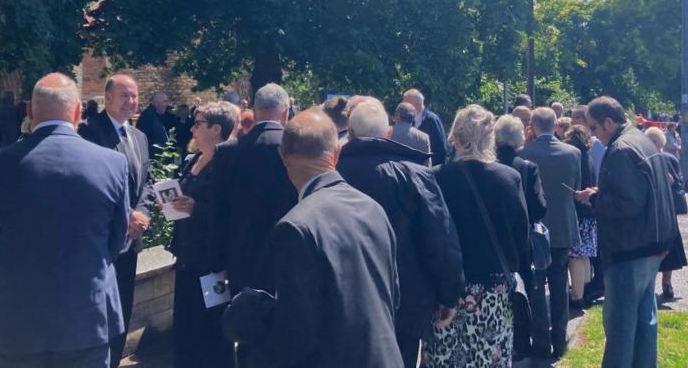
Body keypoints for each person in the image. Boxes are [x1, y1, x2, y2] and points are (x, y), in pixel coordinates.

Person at [222, 109, 402, 368]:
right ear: (336, 154)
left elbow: (298, 332)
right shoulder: (372, 208)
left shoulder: (295, 227)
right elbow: (392, 295)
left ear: (282, 155)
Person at [0, 73, 129, 368]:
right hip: (87, 320)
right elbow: (116, 241)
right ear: (78, 112)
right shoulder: (112, 163)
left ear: (29, 111)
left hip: (13, 324)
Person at [337, 102, 465, 368]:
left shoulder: (332, 173)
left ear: (349, 131)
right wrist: (448, 294)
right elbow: (439, 238)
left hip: (342, 298)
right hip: (404, 298)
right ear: (388, 134)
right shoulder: (414, 174)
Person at [424, 105, 529, 368]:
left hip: (447, 291)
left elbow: (430, 237)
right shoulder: (509, 177)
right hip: (493, 288)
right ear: (490, 139)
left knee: (445, 360)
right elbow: (521, 236)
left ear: (455, 138)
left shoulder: (436, 177)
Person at [575, 96, 676, 368]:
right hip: (650, 244)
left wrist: (595, 199)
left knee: (620, 327)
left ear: (609, 122)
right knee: (644, 321)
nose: (593, 135)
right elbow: (641, 193)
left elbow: (627, 203)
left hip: (629, 249)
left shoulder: (621, 148)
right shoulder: (641, 139)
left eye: (594, 128)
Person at [79, 74, 153, 368]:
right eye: (124, 96)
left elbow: (146, 183)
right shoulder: (88, 133)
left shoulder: (139, 137)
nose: (131, 102)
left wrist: (143, 213)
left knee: (123, 310)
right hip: (101, 243)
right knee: (98, 315)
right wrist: (125, 216)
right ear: (107, 98)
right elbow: (89, 186)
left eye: (134, 96)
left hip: (131, 242)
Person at [210, 83, 298, 295]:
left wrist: (218, 261)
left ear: (254, 110)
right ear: (286, 111)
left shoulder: (227, 152)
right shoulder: (297, 149)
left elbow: (218, 211)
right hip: (288, 252)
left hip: (240, 254)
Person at [169, 102, 238, 368]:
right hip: (187, 257)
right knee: (186, 323)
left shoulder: (228, 164)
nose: (192, 128)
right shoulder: (192, 160)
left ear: (216, 128)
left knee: (212, 325)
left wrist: (196, 209)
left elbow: (231, 213)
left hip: (211, 265)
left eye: (198, 123)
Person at [517, 107, 581, 359]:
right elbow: (575, 188)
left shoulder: (524, 154)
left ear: (531, 127)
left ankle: (540, 342)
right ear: (556, 126)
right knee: (559, 284)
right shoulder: (573, 153)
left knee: (536, 286)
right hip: (563, 227)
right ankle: (560, 339)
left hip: (535, 230)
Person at [493, 114, 547, 361]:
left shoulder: (488, 166)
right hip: (521, 242)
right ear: (520, 139)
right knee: (523, 293)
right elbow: (539, 208)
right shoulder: (526, 168)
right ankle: (521, 345)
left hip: (492, 240)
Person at [644, 127, 688, 300]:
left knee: (656, 249)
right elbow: (680, 182)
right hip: (669, 212)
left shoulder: (652, 159)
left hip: (655, 210)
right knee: (668, 248)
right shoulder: (671, 158)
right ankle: (666, 283)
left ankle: (655, 284)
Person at [563, 125, 597, 309]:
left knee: (575, 256)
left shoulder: (576, 157)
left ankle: (577, 295)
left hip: (578, 211)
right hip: (589, 212)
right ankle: (584, 290)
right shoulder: (588, 156)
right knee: (585, 255)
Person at [403, 88, 447, 165]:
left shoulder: (432, 120)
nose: (403, 107)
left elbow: (440, 151)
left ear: (418, 105)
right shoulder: (408, 120)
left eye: (406, 105)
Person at [136, 92, 175, 156]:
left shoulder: (156, 114)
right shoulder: (148, 116)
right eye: (165, 101)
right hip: (152, 156)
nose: (167, 104)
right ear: (157, 102)